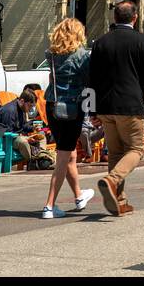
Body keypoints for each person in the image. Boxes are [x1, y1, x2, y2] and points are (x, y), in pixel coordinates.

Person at [89, 1, 144, 216]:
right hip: (130, 106)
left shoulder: (101, 42)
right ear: (135, 18)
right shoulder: (141, 40)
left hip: (105, 106)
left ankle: (119, 200)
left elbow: (92, 78)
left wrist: (92, 111)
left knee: (115, 152)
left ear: (115, 18)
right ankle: (112, 180)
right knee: (136, 150)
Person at [41, 18, 95, 219]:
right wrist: (93, 110)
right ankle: (49, 205)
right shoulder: (82, 56)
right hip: (74, 107)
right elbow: (90, 84)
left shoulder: (52, 55)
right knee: (63, 156)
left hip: (53, 105)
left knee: (70, 153)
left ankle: (79, 196)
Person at [0, 88, 42, 163]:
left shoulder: (21, 109)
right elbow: (8, 132)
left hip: (12, 137)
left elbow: (23, 126)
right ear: (22, 101)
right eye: (29, 106)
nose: (30, 109)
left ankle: (39, 158)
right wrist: (26, 138)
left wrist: (33, 129)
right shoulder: (9, 111)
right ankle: (35, 161)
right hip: (0, 140)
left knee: (42, 137)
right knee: (23, 142)